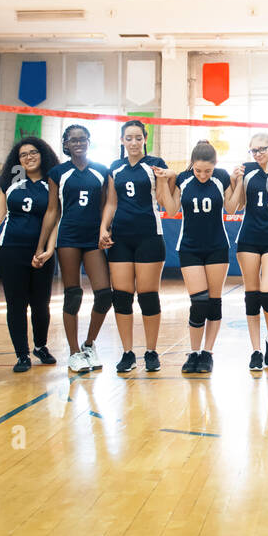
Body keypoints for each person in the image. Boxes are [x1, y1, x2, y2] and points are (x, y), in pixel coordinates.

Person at [0, 136, 61, 373]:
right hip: (11, 250)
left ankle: (40, 346)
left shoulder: (52, 182)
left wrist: (49, 249)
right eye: (23, 154)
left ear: (42, 155)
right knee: (16, 305)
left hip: (41, 252)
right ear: (17, 159)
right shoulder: (11, 182)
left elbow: (55, 218)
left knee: (41, 305)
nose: (29, 157)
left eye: (33, 152)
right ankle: (22, 354)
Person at [158, 140, 237, 374]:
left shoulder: (221, 177)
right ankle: (193, 352)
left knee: (214, 302)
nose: (203, 175)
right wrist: (164, 181)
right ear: (192, 164)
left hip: (217, 247)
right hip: (190, 247)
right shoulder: (183, 178)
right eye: (198, 170)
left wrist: (239, 181)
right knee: (198, 302)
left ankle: (207, 354)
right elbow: (171, 209)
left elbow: (232, 208)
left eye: (208, 171)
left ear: (215, 166)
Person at [43, 124, 114, 373]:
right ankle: (74, 353)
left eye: (83, 139)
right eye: (73, 140)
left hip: (93, 238)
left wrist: (105, 230)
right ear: (65, 143)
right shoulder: (57, 173)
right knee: (73, 296)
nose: (78, 143)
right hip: (69, 237)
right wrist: (43, 245)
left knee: (105, 294)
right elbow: (53, 210)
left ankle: (89, 344)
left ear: (89, 141)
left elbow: (107, 205)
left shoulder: (101, 171)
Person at [102, 119, 167, 373]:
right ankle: (128, 353)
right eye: (128, 138)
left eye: (138, 138)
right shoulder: (115, 167)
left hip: (149, 236)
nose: (133, 142)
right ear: (122, 141)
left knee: (148, 297)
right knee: (122, 297)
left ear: (145, 139)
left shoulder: (155, 165)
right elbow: (111, 202)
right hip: (120, 239)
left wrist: (166, 178)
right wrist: (103, 228)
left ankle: (151, 352)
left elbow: (163, 200)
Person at [228, 132, 268, 371]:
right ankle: (255, 350)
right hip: (248, 238)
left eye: (262, 149)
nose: (257, 154)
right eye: (253, 150)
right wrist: (234, 182)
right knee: (252, 296)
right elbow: (235, 206)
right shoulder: (247, 170)